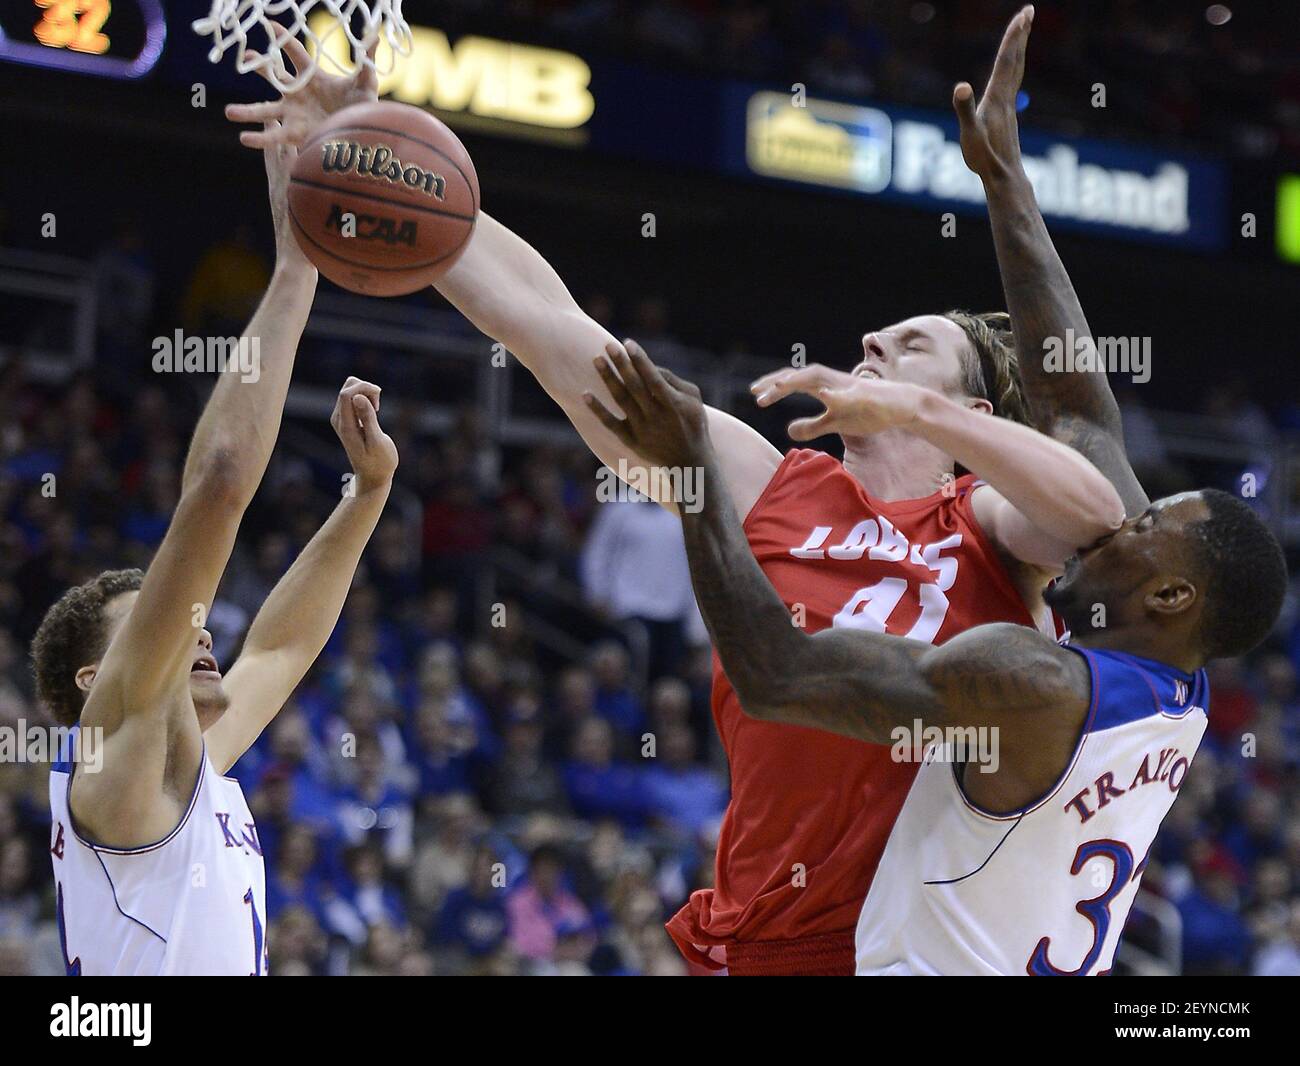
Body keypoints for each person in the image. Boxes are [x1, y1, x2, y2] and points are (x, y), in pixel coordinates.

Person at [227, 7, 1130, 975]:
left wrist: (948, 400)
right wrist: (377, 152)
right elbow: (550, 326)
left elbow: (1100, 512)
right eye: (881, 336)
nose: (872, 343)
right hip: (759, 939)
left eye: (912, 348)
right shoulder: (774, 484)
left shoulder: (989, 525)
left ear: (967, 411)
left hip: (911, 949)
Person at [589, 342, 1287, 975]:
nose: (1112, 528)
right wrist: (1013, 224)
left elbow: (776, 675)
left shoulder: (1037, 685)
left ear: (1168, 594)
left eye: (1143, 526)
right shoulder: (1183, 695)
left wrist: (694, 477)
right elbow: (1084, 420)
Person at [35, 48, 399, 975]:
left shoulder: (182, 766)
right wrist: (297, 265)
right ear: (96, 682)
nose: (199, 630)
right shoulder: (111, 765)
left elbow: (279, 649)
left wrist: (365, 497)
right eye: (163, 622)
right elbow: (223, 480)